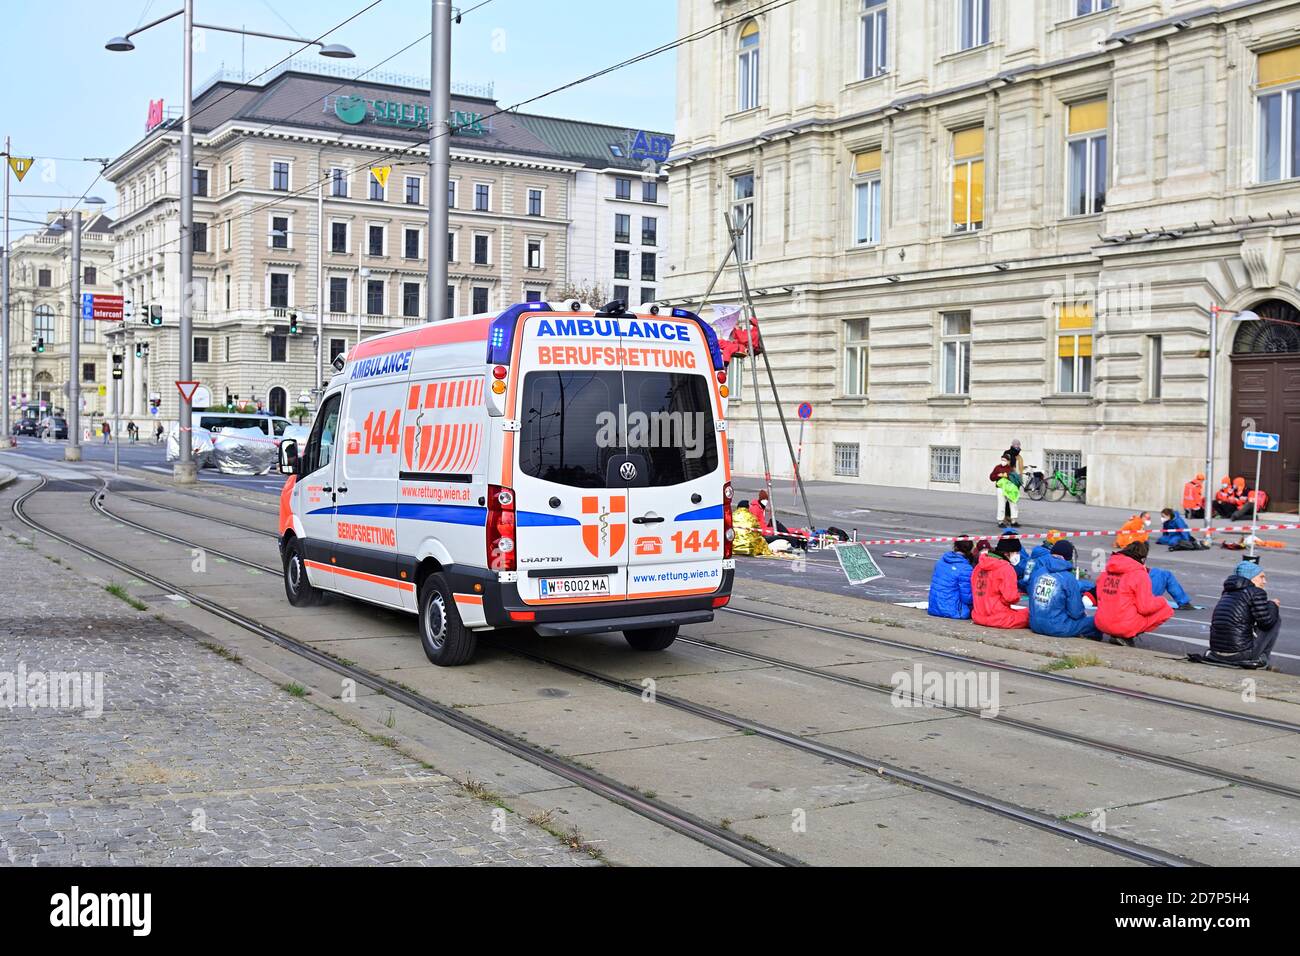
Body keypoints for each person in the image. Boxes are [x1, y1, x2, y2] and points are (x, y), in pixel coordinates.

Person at [1093, 540, 1174, 645]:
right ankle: (1127, 636)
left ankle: (1117, 633)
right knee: (1166, 610)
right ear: (1142, 558)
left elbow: (1099, 597)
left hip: (1101, 623)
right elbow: (1145, 607)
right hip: (1123, 625)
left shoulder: (1106, 571)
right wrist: (1162, 601)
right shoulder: (1139, 574)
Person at [1206, 562, 1281, 667]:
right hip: (1239, 655)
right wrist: (1272, 605)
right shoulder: (1256, 592)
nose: (1264, 581)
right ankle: (1262, 659)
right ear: (1250, 578)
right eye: (1261, 577)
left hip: (1215, 653)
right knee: (1275, 617)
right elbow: (1266, 623)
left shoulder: (1227, 593)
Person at [1029, 541, 1099, 639]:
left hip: (1035, 625)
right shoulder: (1068, 578)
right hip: (1057, 627)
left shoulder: (1038, 572)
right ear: (1068, 558)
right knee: (1095, 621)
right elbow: (1076, 613)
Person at [971, 536, 1029, 629]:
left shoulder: (979, 566)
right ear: (1007, 553)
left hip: (978, 615)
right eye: (1016, 552)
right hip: (998, 618)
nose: (1017, 555)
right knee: (1028, 614)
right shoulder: (1006, 568)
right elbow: (1011, 598)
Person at [928, 539, 976, 620]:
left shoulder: (941, 561)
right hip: (953, 611)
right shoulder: (966, 568)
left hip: (934, 607)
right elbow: (967, 598)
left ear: (955, 546)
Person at [990, 455, 1020, 528]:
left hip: (1009, 489)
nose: (1003, 461)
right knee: (1001, 505)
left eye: (1005, 460)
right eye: (1002, 460)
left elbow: (1015, 479)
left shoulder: (1011, 469)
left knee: (1013, 504)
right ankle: (1000, 521)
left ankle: (1013, 521)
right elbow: (991, 477)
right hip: (1000, 488)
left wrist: (1008, 476)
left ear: (1008, 461)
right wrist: (998, 475)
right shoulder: (997, 467)